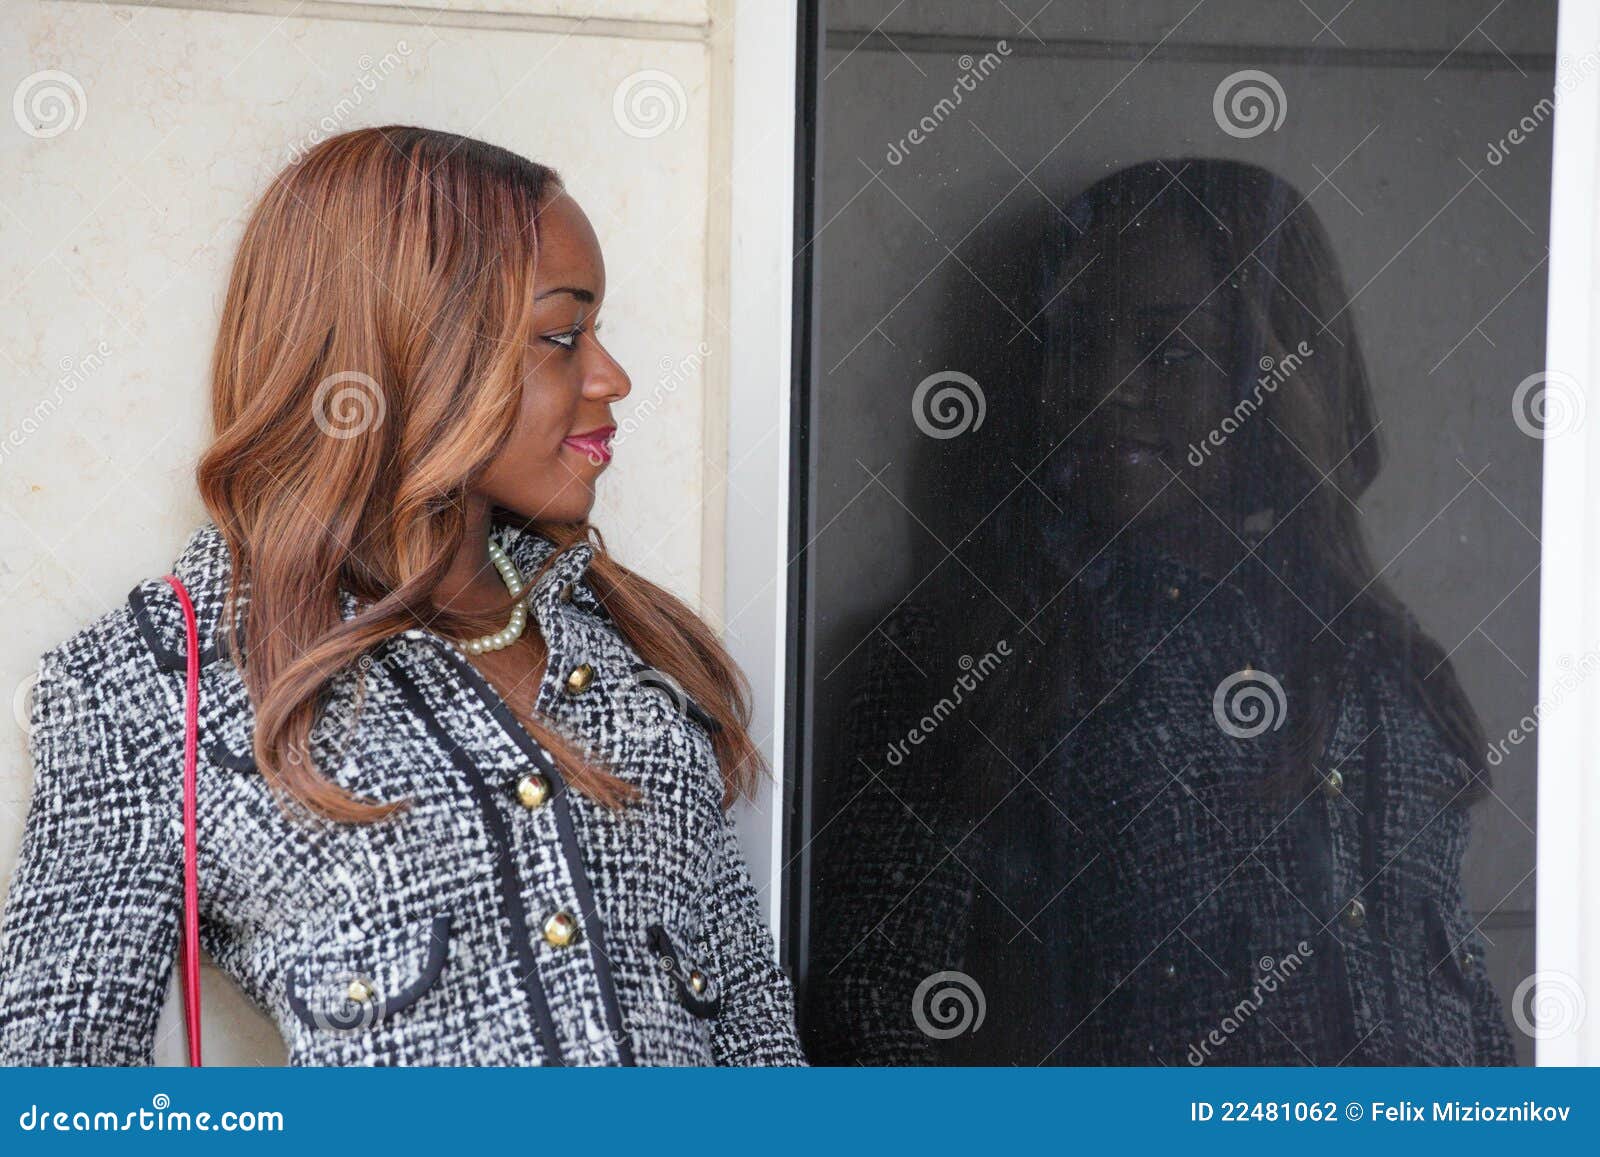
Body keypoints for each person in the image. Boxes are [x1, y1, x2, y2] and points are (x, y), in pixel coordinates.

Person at [0, 126, 805, 1067]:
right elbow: (53, 1088)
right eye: (559, 334)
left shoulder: (637, 659)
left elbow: (759, 1042)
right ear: (410, 346)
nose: (611, 376)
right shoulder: (151, 688)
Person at [805, 158, 1515, 1066]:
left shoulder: (1376, 662)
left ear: (1278, 381)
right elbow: (877, 1023)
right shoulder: (959, 658)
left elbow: (1456, 1001)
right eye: (1078, 344)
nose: (1106, 390)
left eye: (1169, 351)